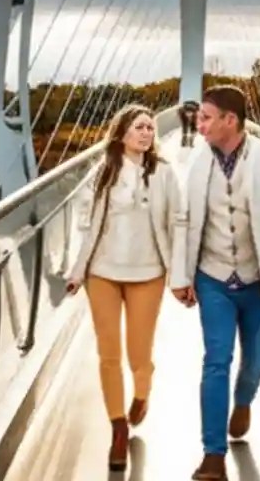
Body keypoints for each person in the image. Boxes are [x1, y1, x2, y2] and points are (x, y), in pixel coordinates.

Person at [168, 85, 260, 481]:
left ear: (231, 120)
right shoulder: (193, 163)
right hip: (212, 277)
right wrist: (181, 276)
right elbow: (183, 221)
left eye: (207, 117)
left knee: (255, 359)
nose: (198, 122)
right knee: (216, 360)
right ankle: (213, 454)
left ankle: (244, 400)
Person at [65, 103, 186, 472]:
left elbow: (178, 223)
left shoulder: (165, 173)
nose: (147, 133)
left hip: (148, 272)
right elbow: (88, 226)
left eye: (150, 127)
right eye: (139, 127)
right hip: (102, 272)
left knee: (139, 353)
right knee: (108, 354)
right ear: (121, 134)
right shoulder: (102, 173)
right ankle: (118, 427)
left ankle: (142, 394)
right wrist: (77, 270)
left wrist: (179, 275)